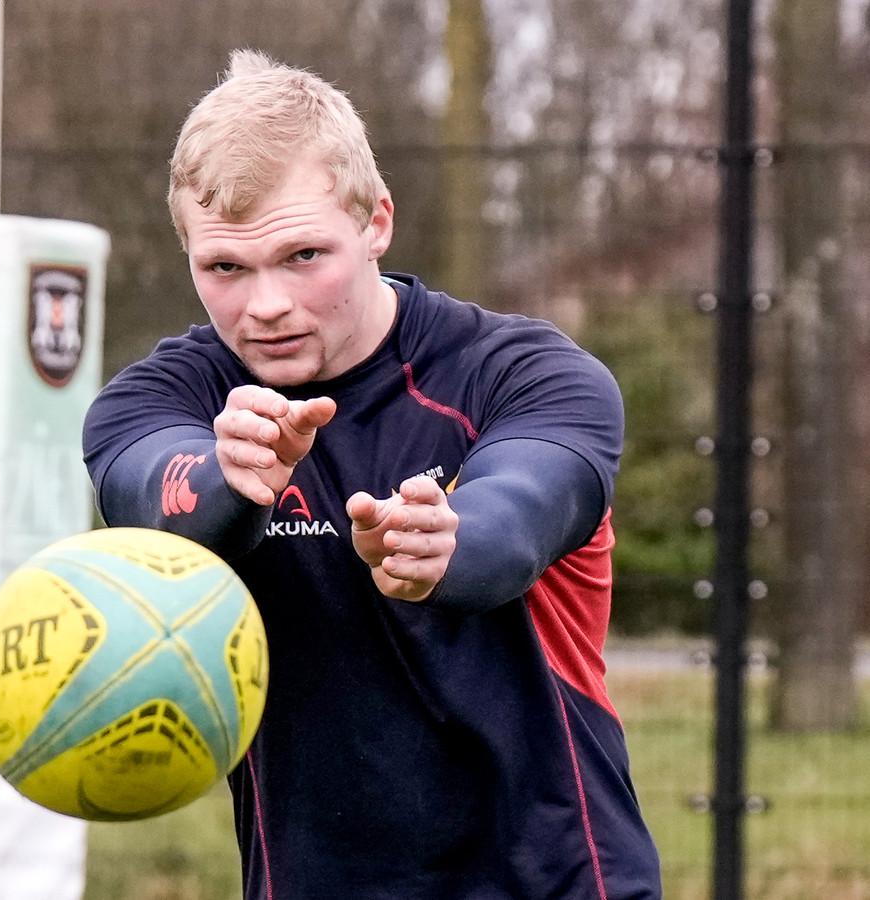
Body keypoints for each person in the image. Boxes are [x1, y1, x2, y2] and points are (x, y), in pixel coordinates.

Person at [82, 50, 662, 899]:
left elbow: (527, 510)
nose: (266, 304)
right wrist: (229, 478)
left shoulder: (527, 375)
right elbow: (147, 496)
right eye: (226, 269)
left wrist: (444, 544)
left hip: (557, 879)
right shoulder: (160, 398)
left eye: (303, 255)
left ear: (376, 222)